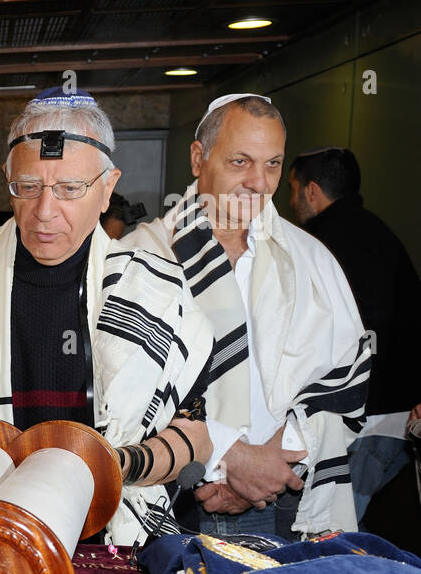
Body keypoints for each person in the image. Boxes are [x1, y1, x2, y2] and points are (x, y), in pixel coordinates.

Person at [0, 89, 215, 546]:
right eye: (27, 187)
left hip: (114, 536)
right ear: (7, 179)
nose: (45, 212)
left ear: (107, 188)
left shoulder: (156, 294)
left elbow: (195, 435)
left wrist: (108, 465)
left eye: (69, 189)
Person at [125, 95, 370, 540]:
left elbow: (347, 374)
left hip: (289, 493)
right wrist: (227, 456)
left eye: (273, 164)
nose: (259, 182)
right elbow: (126, 388)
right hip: (174, 495)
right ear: (199, 158)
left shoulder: (309, 260)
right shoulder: (143, 259)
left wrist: (276, 460)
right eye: (241, 161)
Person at [289, 146, 420, 521]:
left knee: (334, 530)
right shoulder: (380, 233)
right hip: (396, 415)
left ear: (312, 191)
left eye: (294, 188)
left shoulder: (317, 245)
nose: (293, 200)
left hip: (363, 418)